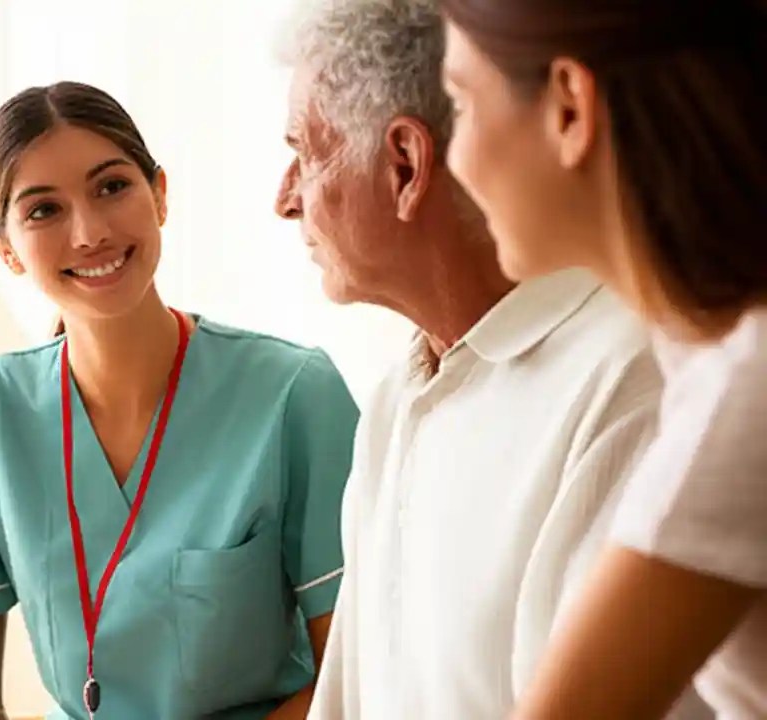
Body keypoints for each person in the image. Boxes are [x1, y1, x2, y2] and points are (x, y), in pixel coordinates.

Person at [273, 2, 707, 718]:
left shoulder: (633, 380)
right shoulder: (394, 399)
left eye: (304, 153)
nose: (285, 199)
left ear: (405, 165)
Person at [0, 81, 360, 719]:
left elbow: (350, 671)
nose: (89, 234)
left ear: (160, 195)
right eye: (43, 211)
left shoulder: (294, 395)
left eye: (112, 187)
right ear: (6, 250)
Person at [439, 1, 767, 717]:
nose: (452, 159)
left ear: (569, 107)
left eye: (459, 104)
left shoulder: (747, 390)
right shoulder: (708, 352)